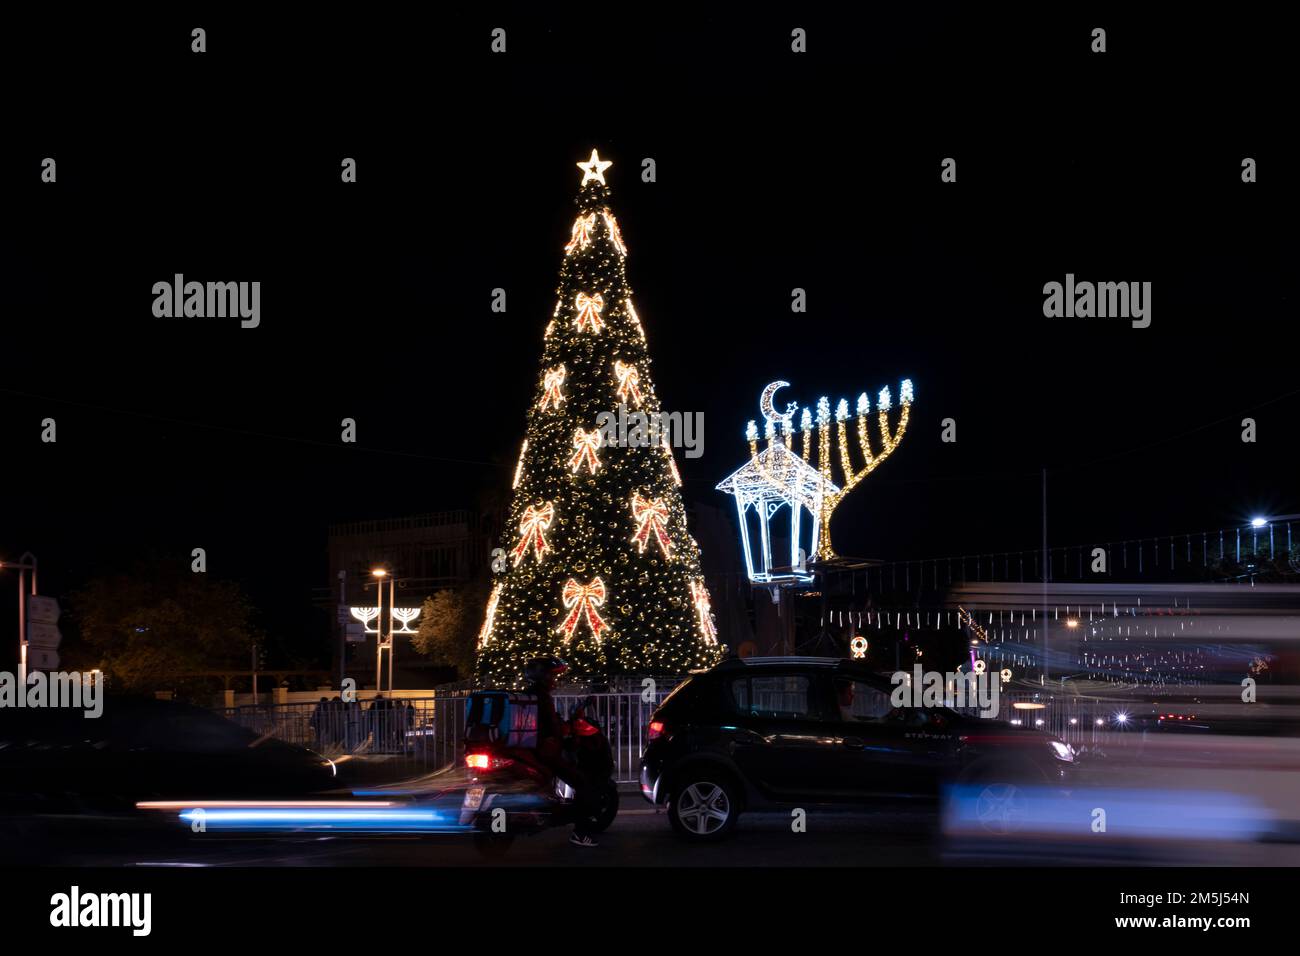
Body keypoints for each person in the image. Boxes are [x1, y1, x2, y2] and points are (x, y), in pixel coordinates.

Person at [523, 656, 599, 848]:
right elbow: (554, 728)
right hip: (544, 753)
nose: (555, 680)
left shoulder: (527, 695)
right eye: (552, 675)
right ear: (543, 676)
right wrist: (568, 728)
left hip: (528, 751)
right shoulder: (542, 698)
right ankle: (580, 833)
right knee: (582, 783)